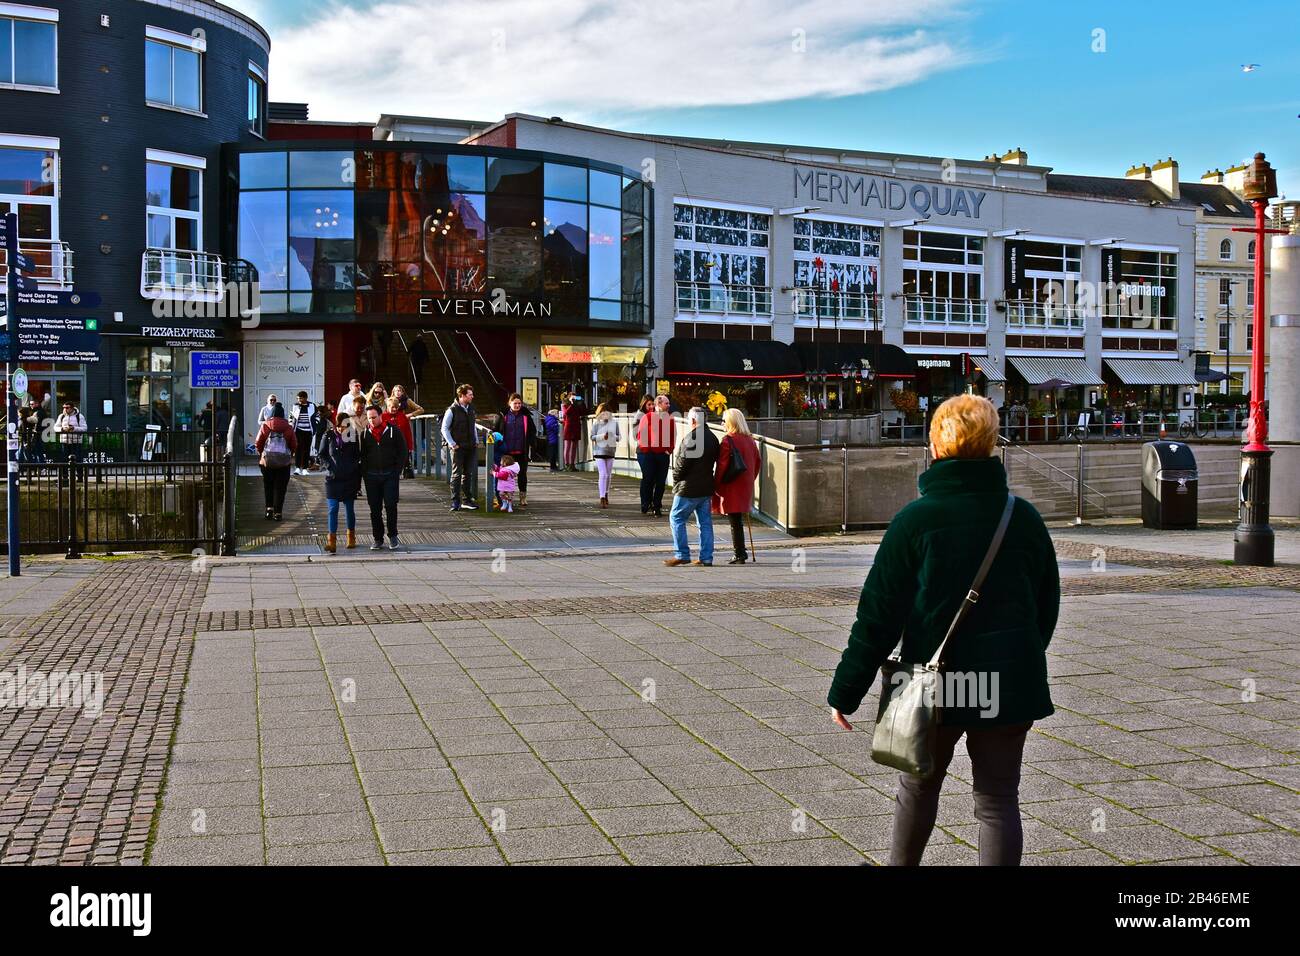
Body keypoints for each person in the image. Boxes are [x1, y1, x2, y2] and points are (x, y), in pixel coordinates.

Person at [827, 394, 1060, 866]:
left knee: (917, 785)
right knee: (997, 801)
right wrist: (1018, 655)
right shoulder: (1023, 518)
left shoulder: (915, 521)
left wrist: (845, 690)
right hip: (1007, 683)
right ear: (993, 445)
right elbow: (1046, 606)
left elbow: (878, 615)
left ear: (935, 446)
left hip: (935, 684)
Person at [665, 407, 718, 567]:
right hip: (706, 487)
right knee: (705, 523)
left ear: (694, 421)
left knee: (676, 517)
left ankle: (682, 554)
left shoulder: (692, 438)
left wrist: (675, 480)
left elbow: (681, 464)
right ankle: (706, 557)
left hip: (688, 488)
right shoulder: (713, 438)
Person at [712, 408, 761, 564]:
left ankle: (739, 552)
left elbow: (722, 466)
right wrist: (750, 479)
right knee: (738, 518)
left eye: (724, 421)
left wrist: (716, 484)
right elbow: (757, 462)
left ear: (730, 423)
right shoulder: (750, 440)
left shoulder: (728, 440)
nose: (722, 423)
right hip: (745, 483)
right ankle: (741, 551)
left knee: (735, 520)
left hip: (732, 483)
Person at [360, 404, 406, 550]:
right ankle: (377, 538)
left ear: (381, 416)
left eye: (374, 417)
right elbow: (363, 455)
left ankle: (393, 536)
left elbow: (403, 452)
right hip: (371, 476)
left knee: (391, 506)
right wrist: (365, 473)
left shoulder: (394, 431)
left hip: (389, 475)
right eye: (369, 418)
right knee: (375, 509)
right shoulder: (365, 433)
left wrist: (396, 471)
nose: (371, 421)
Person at [320, 411, 361, 553]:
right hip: (333, 478)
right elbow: (322, 454)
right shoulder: (328, 435)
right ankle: (331, 541)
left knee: (349, 509)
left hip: (349, 478)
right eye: (338, 426)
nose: (340, 429)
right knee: (333, 509)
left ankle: (351, 537)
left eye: (343, 427)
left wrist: (352, 467)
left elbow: (357, 455)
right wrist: (329, 466)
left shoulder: (353, 436)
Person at [254, 402, 296, 521]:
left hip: (267, 461)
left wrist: (262, 453)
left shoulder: (266, 425)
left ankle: (269, 510)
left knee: (268, 485)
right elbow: (294, 444)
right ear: (283, 414)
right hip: (283, 462)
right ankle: (278, 513)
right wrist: (290, 455)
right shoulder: (288, 427)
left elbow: (258, 442)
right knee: (280, 487)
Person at [441, 383, 478, 512]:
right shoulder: (451, 410)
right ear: (462, 396)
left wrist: (476, 440)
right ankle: (455, 501)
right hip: (458, 447)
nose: (472, 396)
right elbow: (444, 428)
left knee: (468, 473)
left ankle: (467, 500)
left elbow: (473, 426)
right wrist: (452, 444)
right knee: (456, 474)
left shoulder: (471, 408)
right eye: (470, 394)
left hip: (470, 445)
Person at [636, 394, 675, 517]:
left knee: (660, 482)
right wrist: (646, 449)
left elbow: (673, 436)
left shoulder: (670, 419)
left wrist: (669, 450)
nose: (668, 405)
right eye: (666, 403)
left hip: (663, 454)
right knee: (648, 479)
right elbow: (640, 435)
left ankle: (656, 505)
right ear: (659, 404)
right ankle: (646, 503)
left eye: (668, 403)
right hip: (649, 454)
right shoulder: (647, 417)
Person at [499, 393, 536, 508]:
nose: (517, 405)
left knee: (522, 475)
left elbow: (532, 432)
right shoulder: (503, 416)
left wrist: (531, 444)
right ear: (509, 403)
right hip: (507, 452)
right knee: (505, 476)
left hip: (521, 451)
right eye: (515, 403)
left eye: (519, 403)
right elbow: (497, 431)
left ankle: (522, 497)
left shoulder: (525, 416)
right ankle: (505, 499)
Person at [590, 402, 620, 508]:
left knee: (608, 475)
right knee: (602, 473)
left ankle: (606, 492)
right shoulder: (596, 424)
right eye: (603, 413)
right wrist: (602, 436)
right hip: (599, 451)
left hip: (610, 451)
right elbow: (592, 437)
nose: (605, 415)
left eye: (607, 413)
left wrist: (613, 436)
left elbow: (619, 437)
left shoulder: (614, 423)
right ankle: (602, 496)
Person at [392, 384, 424, 477]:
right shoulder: (390, 401)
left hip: (403, 425)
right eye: (396, 391)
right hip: (392, 425)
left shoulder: (407, 400)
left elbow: (420, 409)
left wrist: (410, 415)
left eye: (399, 391)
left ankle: (406, 468)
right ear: (393, 392)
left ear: (402, 392)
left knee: (405, 446)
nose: (398, 392)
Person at [290, 391, 318, 475]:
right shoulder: (295, 406)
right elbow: (291, 416)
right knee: (298, 449)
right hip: (298, 431)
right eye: (298, 398)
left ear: (305, 398)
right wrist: (291, 425)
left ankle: (305, 468)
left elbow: (317, 416)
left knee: (306, 449)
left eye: (300, 398)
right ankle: (298, 468)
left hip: (308, 431)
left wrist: (315, 425)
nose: (299, 400)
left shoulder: (312, 406)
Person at [562, 392, 587, 471]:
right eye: (573, 397)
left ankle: (572, 464)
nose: (574, 398)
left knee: (574, 447)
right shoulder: (565, 404)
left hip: (576, 426)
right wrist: (572, 404)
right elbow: (566, 413)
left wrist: (582, 403)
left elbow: (583, 412)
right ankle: (567, 464)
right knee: (567, 446)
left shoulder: (577, 404)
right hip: (569, 426)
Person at [18, 397, 45, 463]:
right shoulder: (32, 412)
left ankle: (37, 467)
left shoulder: (39, 412)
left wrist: (24, 418)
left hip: (37, 434)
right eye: (30, 404)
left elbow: (35, 420)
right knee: (33, 452)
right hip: (30, 435)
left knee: (37, 451)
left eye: (33, 404)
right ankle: (27, 466)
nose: (31, 406)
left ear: (37, 404)